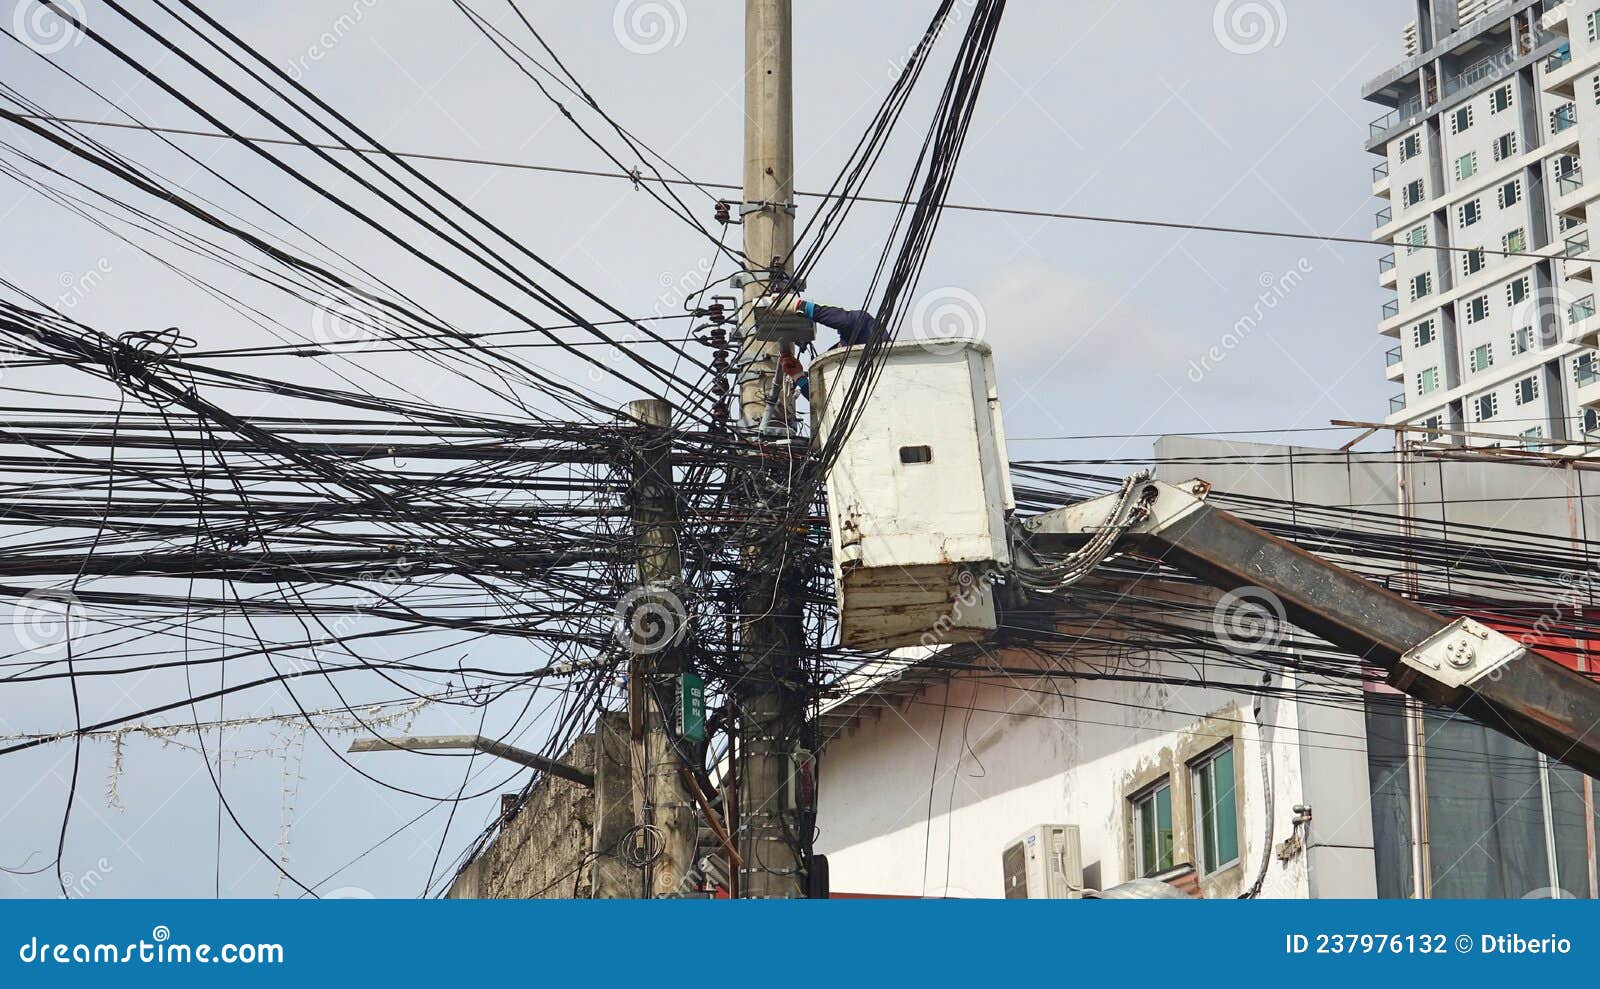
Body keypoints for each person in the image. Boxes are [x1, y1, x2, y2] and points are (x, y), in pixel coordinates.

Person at [785, 298, 883, 401]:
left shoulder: (865, 331)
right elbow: (822, 403)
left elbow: (849, 320)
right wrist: (799, 377)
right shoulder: (845, 374)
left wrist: (804, 307)